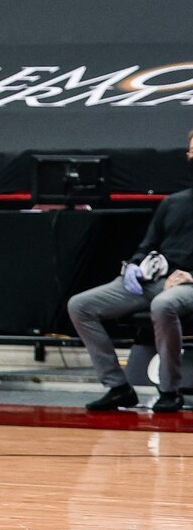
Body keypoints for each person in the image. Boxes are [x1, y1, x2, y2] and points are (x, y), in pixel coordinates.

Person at [68, 130, 193, 413]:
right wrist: (134, 266)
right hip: (156, 280)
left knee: (164, 304)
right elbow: (147, 244)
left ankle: (170, 391)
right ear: (188, 155)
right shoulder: (174, 203)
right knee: (81, 305)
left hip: (187, 284)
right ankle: (118, 387)